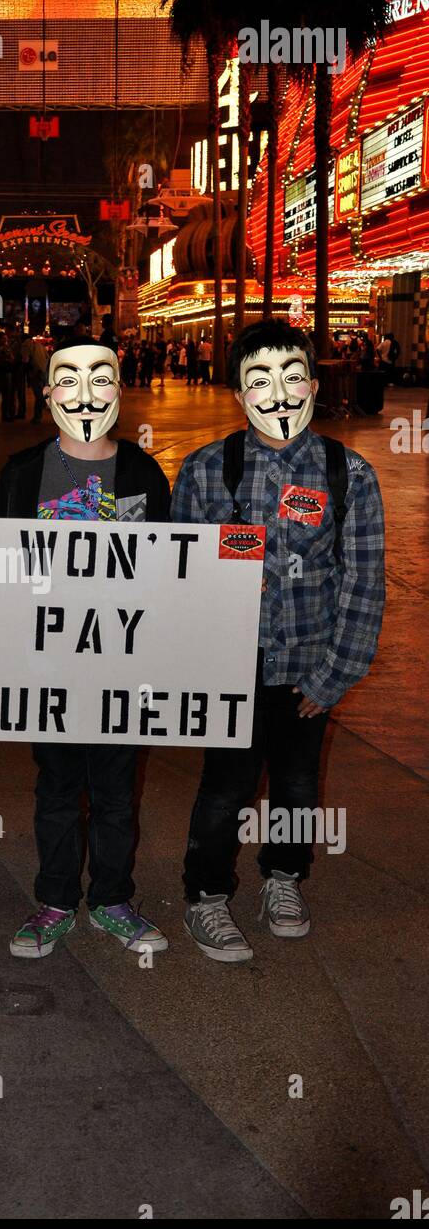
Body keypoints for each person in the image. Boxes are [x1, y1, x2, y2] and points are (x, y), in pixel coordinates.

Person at [171, 320, 385, 963]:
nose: (279, 392)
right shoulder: (207, 470)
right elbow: (180, 578)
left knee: (296, 787)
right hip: (232, 671)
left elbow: (364, 581)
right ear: (238, 394)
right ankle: (206, 895)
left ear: (315, 385)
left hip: (308, 669)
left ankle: (285, 878)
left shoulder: (351, 476)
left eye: (294, 376)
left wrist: (334, 676)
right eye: (260, 380)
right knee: (223, 789)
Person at [0, 341, 172, 959]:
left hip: (123, 665)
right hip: (49, 666)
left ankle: (113, 899)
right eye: (67, 382)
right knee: (59, 786)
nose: (85, 396)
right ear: (47, 395)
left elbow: (169, 572)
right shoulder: (21, 472)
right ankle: (56, 900)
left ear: (120, 392)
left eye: (101, 380)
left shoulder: (145, 473)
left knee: (118, 789)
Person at [28, 336, 48, 421]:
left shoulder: (27, 346)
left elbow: (25, 360)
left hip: (36, 373)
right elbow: (47, 357)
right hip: (43, 372)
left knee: (38, 395)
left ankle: (37, 416)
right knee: (41, 394)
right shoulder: (41, 346)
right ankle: (38, 414)